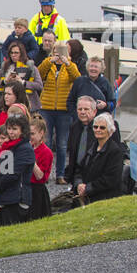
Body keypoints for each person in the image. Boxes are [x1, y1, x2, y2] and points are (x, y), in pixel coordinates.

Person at [38, 41, 80, 184]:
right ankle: (46, 173)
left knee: (62, 145)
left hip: (63, 109)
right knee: (47, 142)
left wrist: (67, 63)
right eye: (57, 50)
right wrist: (51, 61)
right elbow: (39, 74)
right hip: (46, 107)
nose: (59, 54)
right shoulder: (47, 63)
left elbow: (77, 78)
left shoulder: (71, 65)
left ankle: (60, 174)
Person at [0, 111, 33, 226]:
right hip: (3, 196)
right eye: (9, 128)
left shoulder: (24, 149)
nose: (11, 132)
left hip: (16, 198)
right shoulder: (8, 147)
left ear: (23, 130)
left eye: (15, 129)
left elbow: (13, 175)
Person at [75, 112, 126, 205]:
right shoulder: (92, 146)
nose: (98, 130)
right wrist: (79, 184)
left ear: (110, 131)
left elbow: (111, 179)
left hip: (104, 198)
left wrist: (88, 188)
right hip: (87, 195)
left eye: (102, 127)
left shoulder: (115, 152)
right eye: (95, 127)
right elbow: (80, 168)